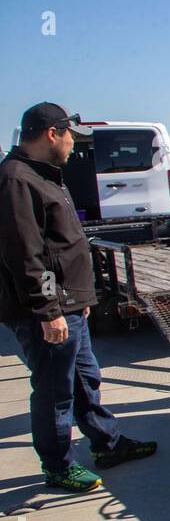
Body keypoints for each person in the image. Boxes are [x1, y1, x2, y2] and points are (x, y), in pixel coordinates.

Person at [0, 103, 157, 491]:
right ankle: (57, 466)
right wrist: (48, 310)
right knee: (55, 388)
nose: (74, 144)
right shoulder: (17, 180)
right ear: (52, 133)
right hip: (46, 311)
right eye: (70, 135)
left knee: (85, 379)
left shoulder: (45, 175)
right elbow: (25, 256)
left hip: (69, 304)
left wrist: (77, 299)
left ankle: (107, 443)